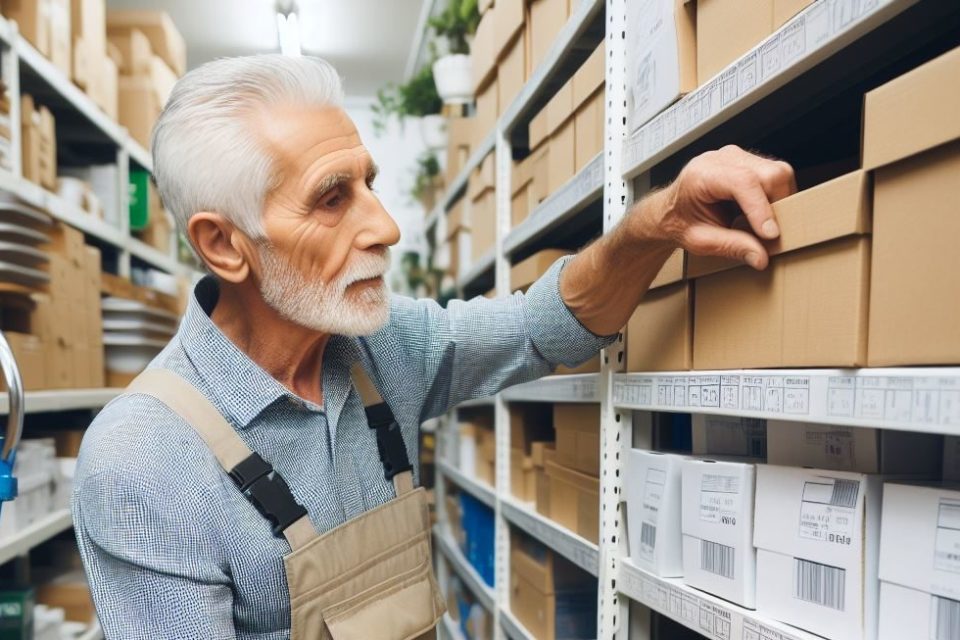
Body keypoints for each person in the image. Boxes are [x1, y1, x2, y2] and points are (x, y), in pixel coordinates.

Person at [73, 55, 795, 639]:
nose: (385, 225)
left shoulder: (382, 349)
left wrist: (661, 220)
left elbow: (545, 325)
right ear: (223, 245)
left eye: (370, 185)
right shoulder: (144, 460)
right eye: (332, 198)